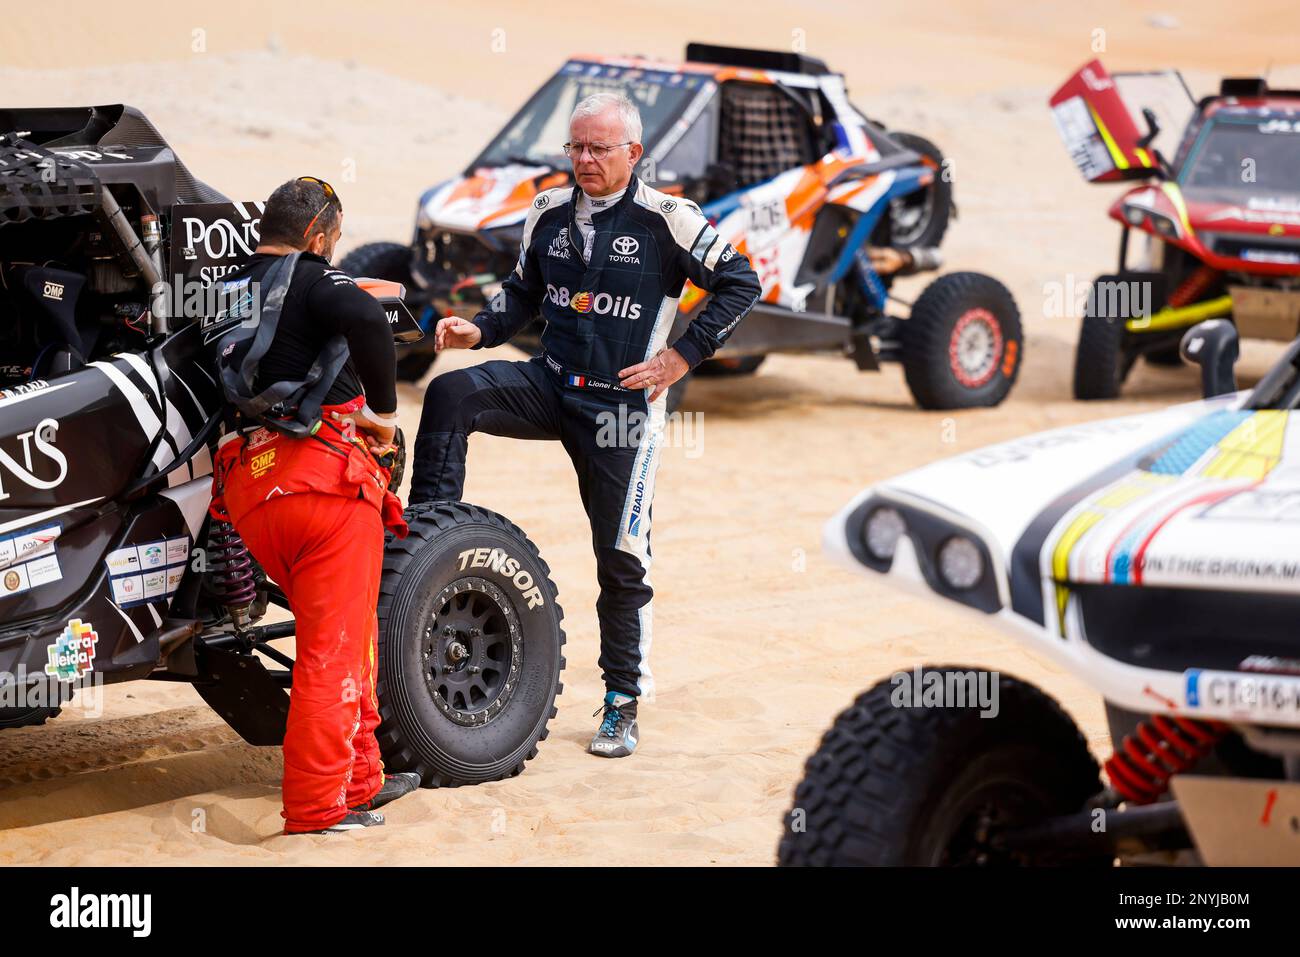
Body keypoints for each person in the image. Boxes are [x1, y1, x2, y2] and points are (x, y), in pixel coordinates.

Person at [410, 92, 762, 758]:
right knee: (451, 392)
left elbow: (741, 282)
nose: (584, 159)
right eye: (575, 146)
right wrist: (478, 329)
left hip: (620, 412)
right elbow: (518, 296)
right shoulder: (545, 211)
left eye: (599, 148)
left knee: (621, 559)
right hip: (550, 383)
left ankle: (622, 701)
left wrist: (681, 356)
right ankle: (424, 548)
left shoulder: (669, 219)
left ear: (634, 153)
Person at [208, 177, 420, 834]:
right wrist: (384, 417)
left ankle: (360, 780)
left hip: (251, 489)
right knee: (333, 651)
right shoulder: (315, 278)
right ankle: (315, 806)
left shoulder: (225, 288)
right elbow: (364, 317)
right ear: (318, 235)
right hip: (323, 487)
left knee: (347, 638)